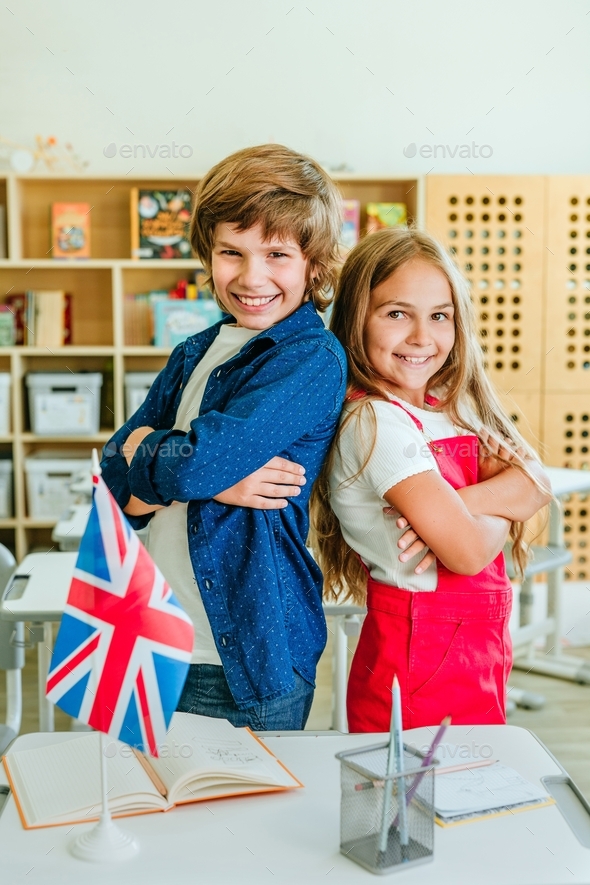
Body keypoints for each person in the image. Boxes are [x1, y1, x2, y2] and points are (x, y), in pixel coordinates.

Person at [101, 144, 347, 730]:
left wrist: (166, 461)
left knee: (239, 796)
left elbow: (190, 465)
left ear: (313, 265)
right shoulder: (195, 351)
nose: (252, 277)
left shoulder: (309, 357)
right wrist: (212, 480)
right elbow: (113, 477)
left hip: (243, 658)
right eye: (231, 252)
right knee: (151, 790)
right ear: (208, 256)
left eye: (277, 255)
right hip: (155, 635)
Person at [310, 227, 552, 731]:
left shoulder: (448, 408)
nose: (422, 337)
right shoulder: (376, 421)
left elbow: (536, 484)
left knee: (472, 776)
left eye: (439, 316)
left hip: (478, 649)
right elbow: (467, 552)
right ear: (356, 319)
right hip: (418, 655)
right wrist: (499, 504)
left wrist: (463, 504)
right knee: (414, 782)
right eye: (397, 314)